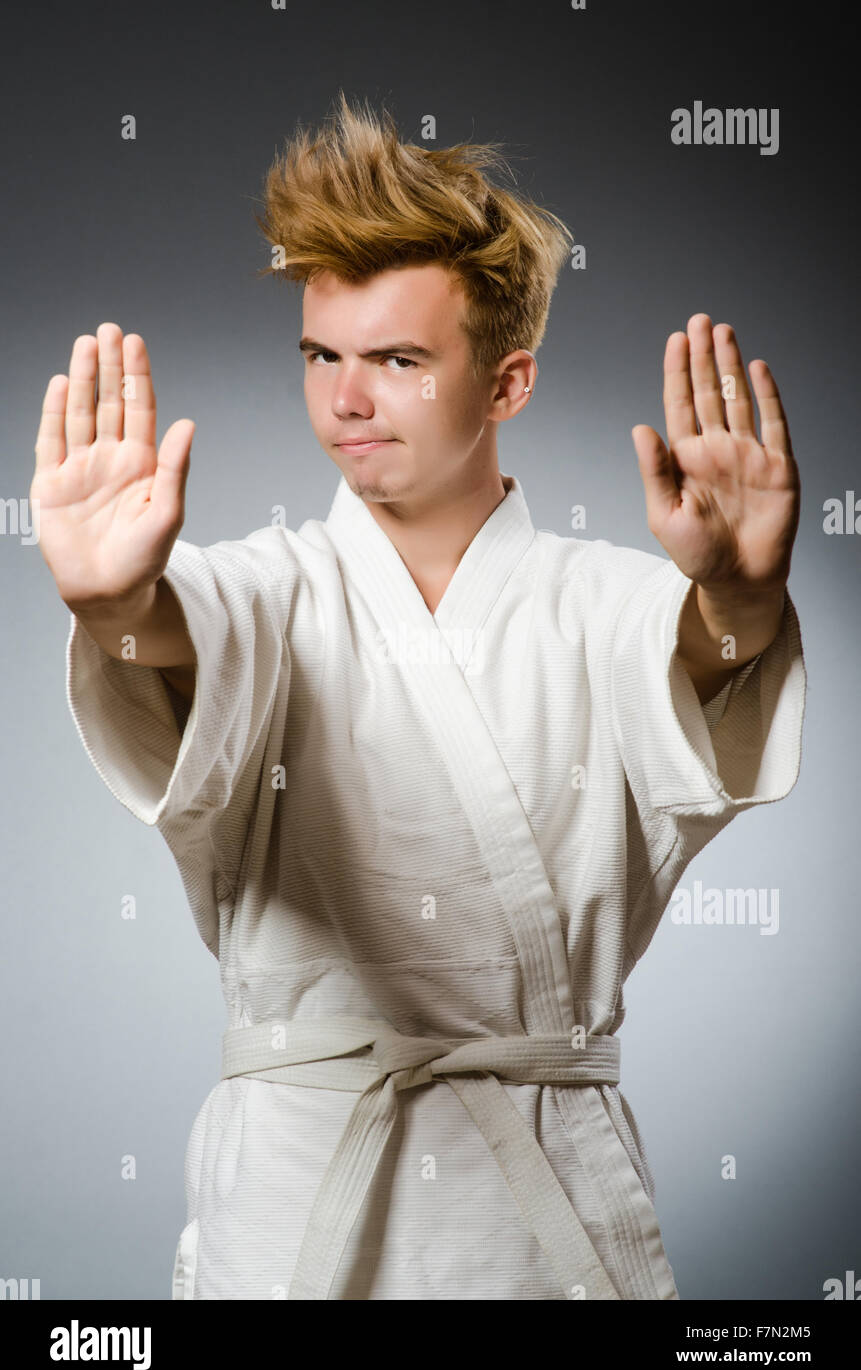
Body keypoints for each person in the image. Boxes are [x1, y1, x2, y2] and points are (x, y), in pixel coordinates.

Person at [31, 93, 806, 1300]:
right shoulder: (269, 589)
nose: (346, 400)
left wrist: (746, 601)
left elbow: (702, 655)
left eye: (397, 361)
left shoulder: (605, 601)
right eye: (322, 357)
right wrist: (112, 608)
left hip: (538, 1199)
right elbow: (182, 642)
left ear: (508, 384)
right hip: (297, 1189)